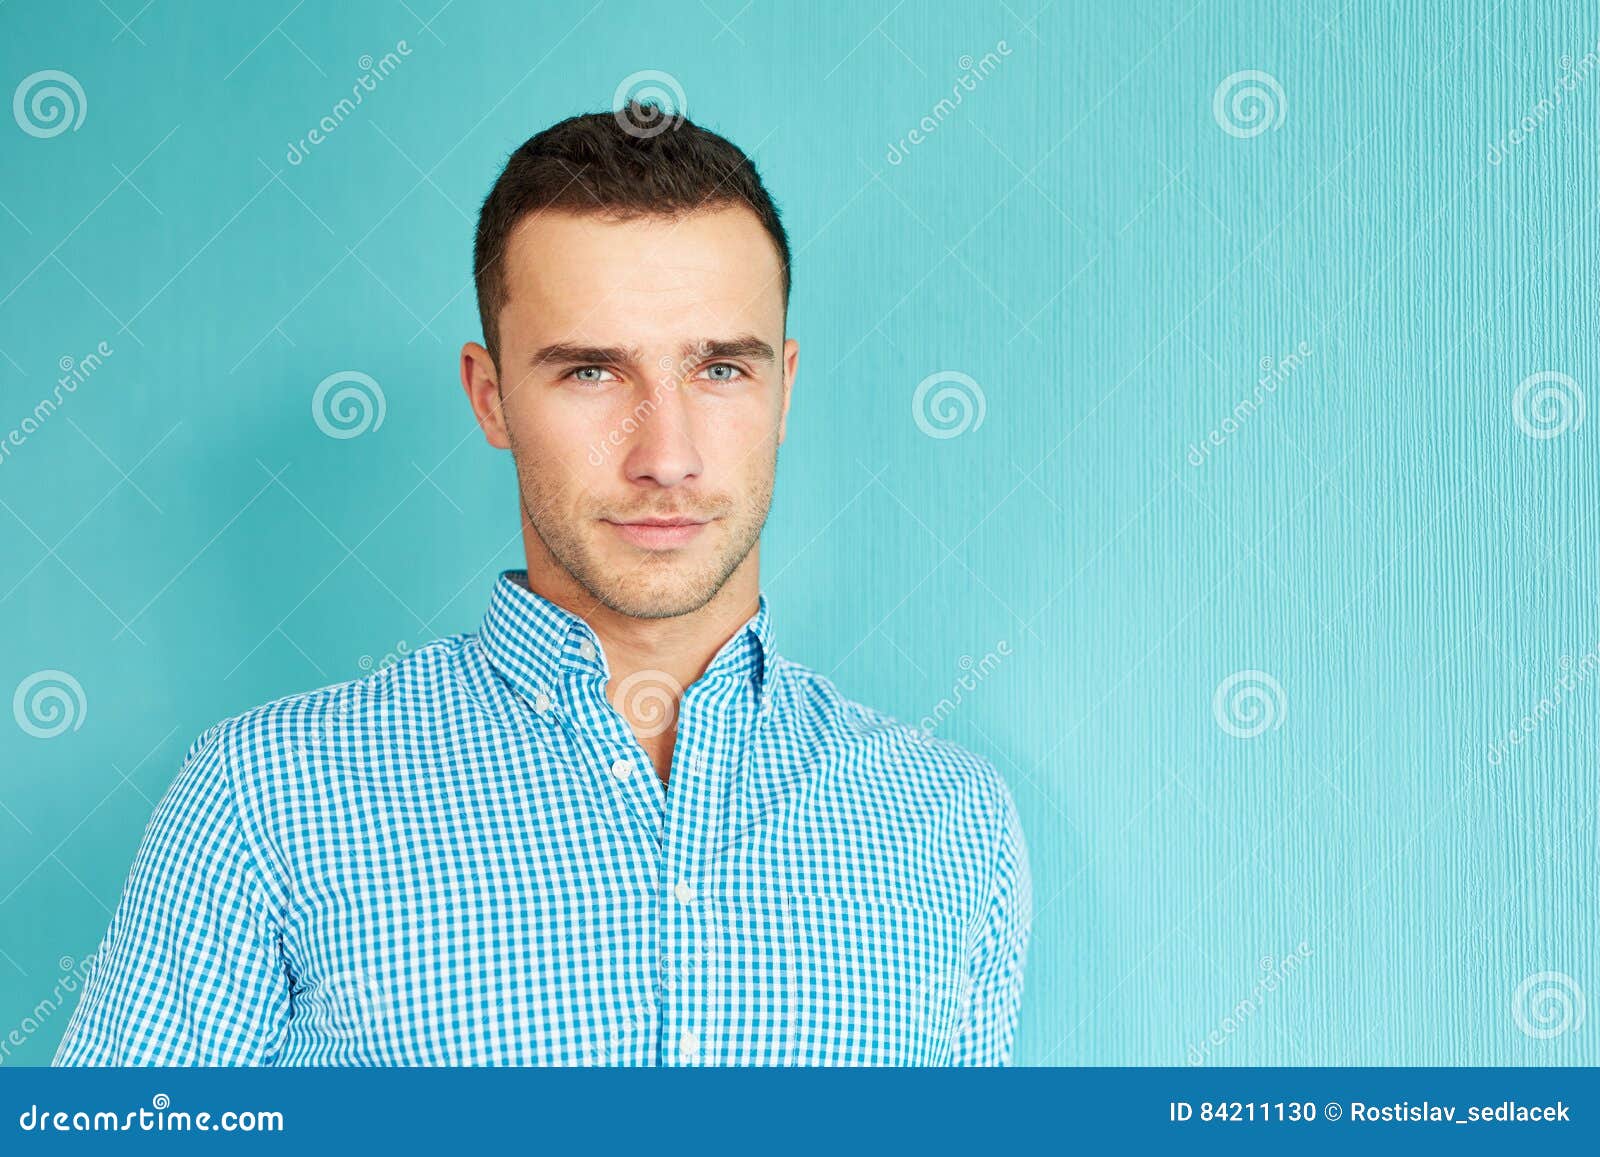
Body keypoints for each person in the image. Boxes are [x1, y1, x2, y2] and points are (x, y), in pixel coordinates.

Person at [53, 101, 1031, 1066]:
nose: (666, 455)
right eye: (593, 372)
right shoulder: (263, 797)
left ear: (783, 386)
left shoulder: (949, 819)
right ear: (491, 397)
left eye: (721, 369)